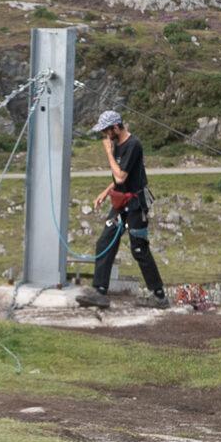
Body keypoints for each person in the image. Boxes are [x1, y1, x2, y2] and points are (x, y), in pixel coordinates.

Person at [76, 110, 167, 310]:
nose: (105, 136)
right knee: (105, 241)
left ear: (116, 127)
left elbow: (121, 177)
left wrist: (108, 152)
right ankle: (99, 291)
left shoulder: (133, 145)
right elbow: (117, 178)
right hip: (120, 202)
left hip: (135, 205)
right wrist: (105, 192)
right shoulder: (118, 144)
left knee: (139, 249)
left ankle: (159, 296)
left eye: (106, 131)